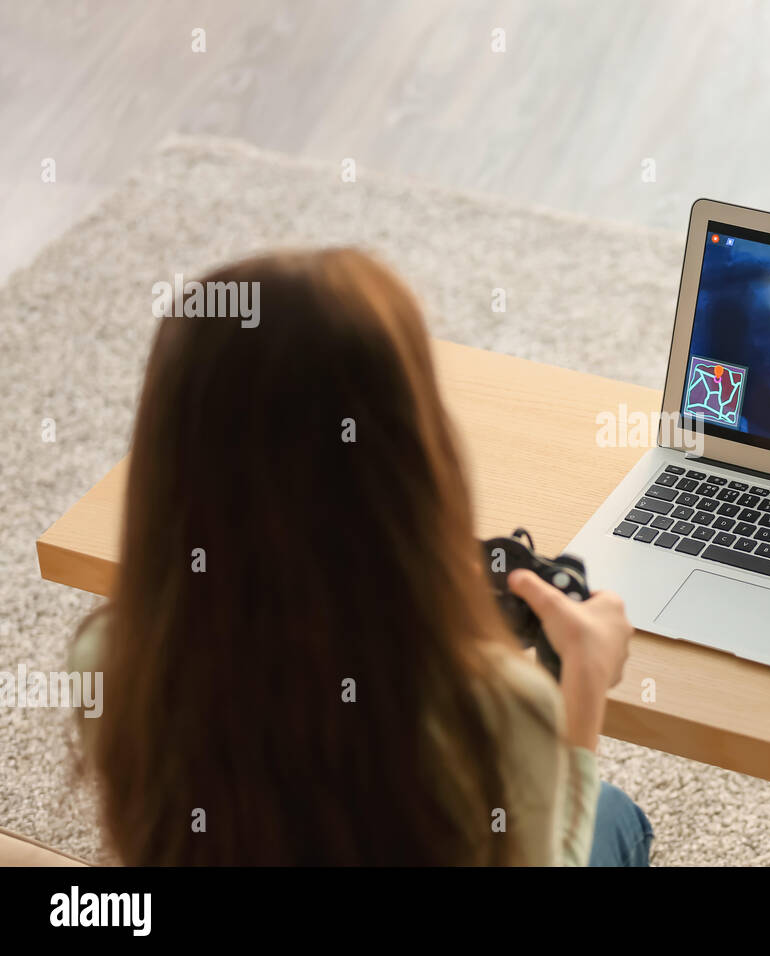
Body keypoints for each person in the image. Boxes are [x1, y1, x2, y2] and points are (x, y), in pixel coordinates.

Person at [70, 248, 652, 865]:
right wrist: (583, 690)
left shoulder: (112, 659)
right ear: (410, 456)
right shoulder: (496, 710)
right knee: (614, 816)